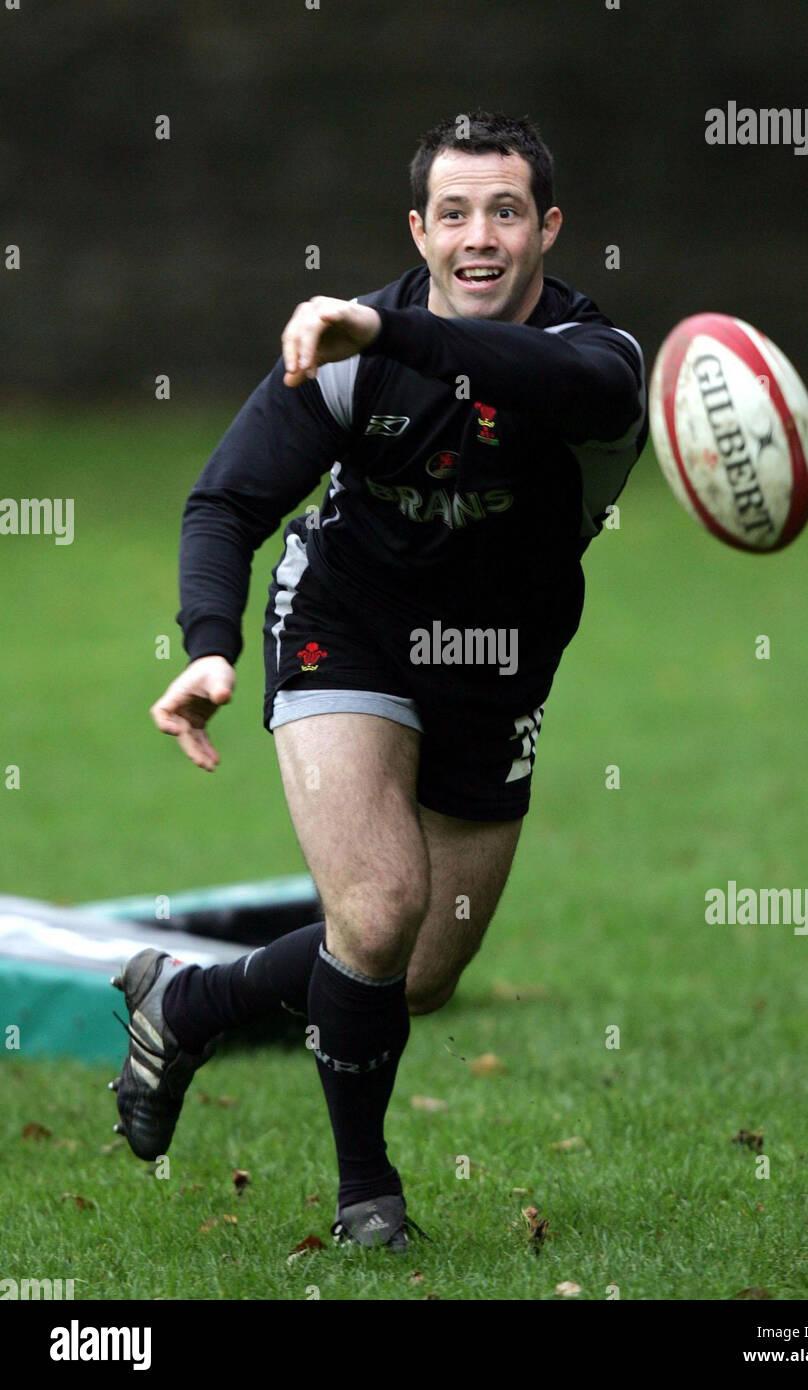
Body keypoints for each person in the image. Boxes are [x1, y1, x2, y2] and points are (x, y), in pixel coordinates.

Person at [110, 110, 648, 1254]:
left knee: (419, 970)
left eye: (506, 210)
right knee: (377, 907)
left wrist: (389, 331)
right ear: (420, 227)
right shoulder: (353, 351)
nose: (480, 236)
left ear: (548, 228)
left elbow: (537, 374)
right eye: (453, 213)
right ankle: (369, 1201)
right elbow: (228, 501)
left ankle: (190, 1003)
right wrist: (208, 639)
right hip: (343, 627)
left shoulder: (602, 364)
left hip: (498, 663)